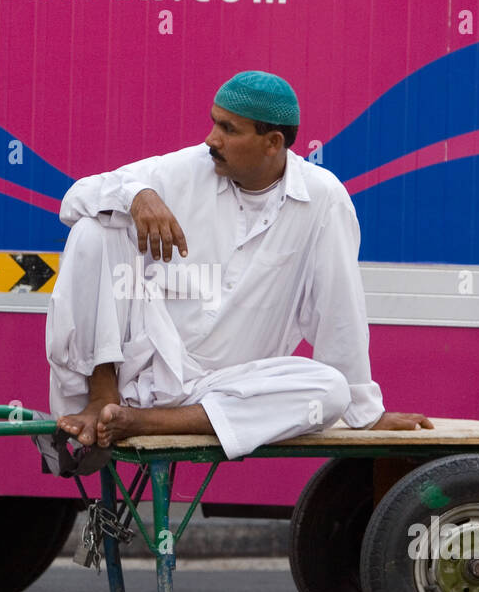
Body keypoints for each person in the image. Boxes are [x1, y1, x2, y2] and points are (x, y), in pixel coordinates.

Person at [45, 70, 432, 459]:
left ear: (272, 143)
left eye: (229, 129)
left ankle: (143, 422)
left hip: (227, 389)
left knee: (329, 390)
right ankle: (102, 397)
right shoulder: (184, 169)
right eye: (214, 122)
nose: (212, 139)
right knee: (93, 229)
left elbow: (339, 308)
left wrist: (365, 413)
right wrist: (138, 196)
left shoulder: (323, 199)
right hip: (139, 369)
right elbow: (76, 197)